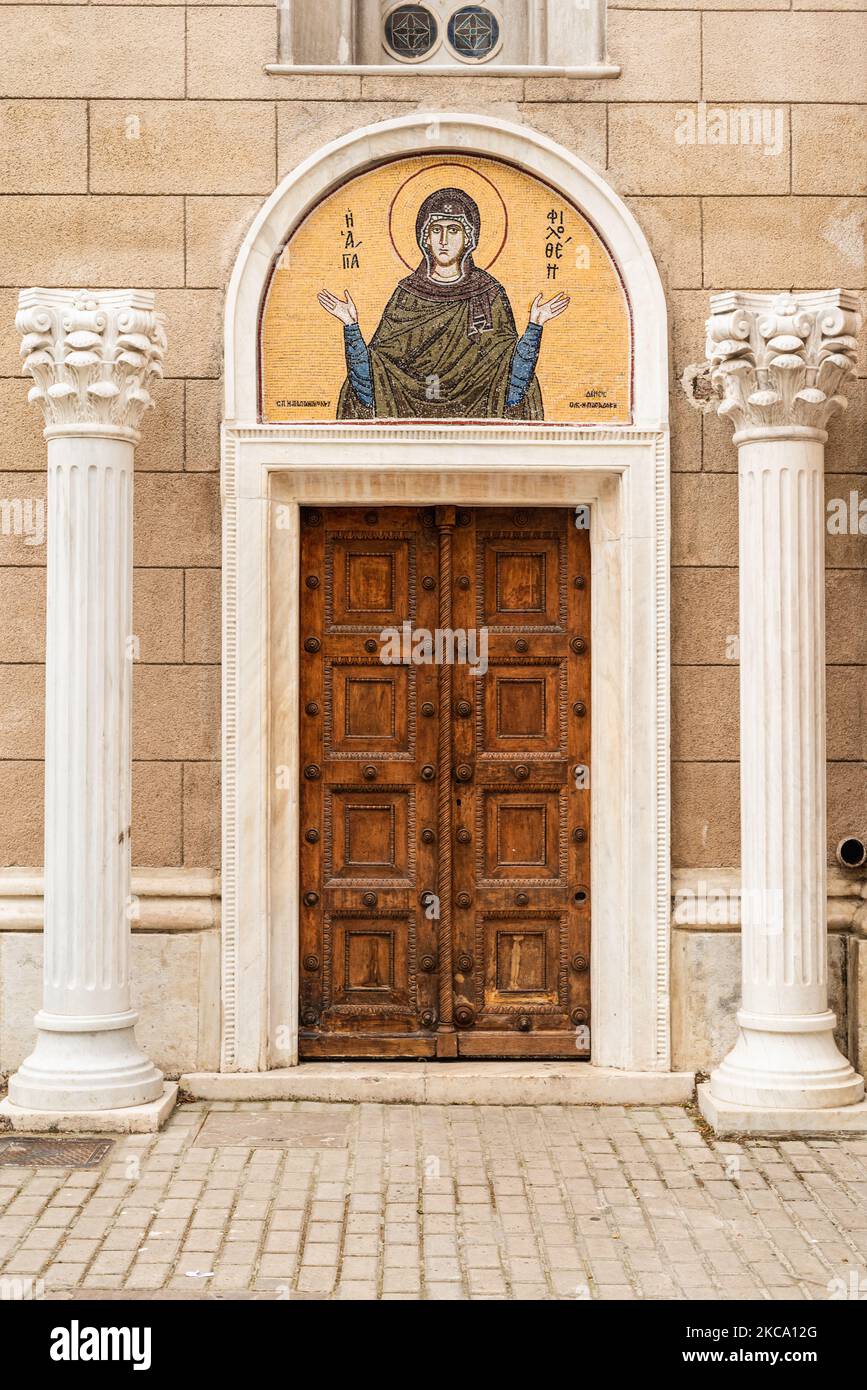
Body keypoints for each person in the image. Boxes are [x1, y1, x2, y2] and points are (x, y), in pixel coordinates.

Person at [317, 186, 569, 420]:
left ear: (469, 238)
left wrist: (535, 327)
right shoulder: (407, 295)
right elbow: (374, 381)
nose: (444, 240)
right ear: (425, 238)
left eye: (454, 230)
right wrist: (351, 327)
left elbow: (510, 387)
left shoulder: (489, 294)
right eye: (436, 229)